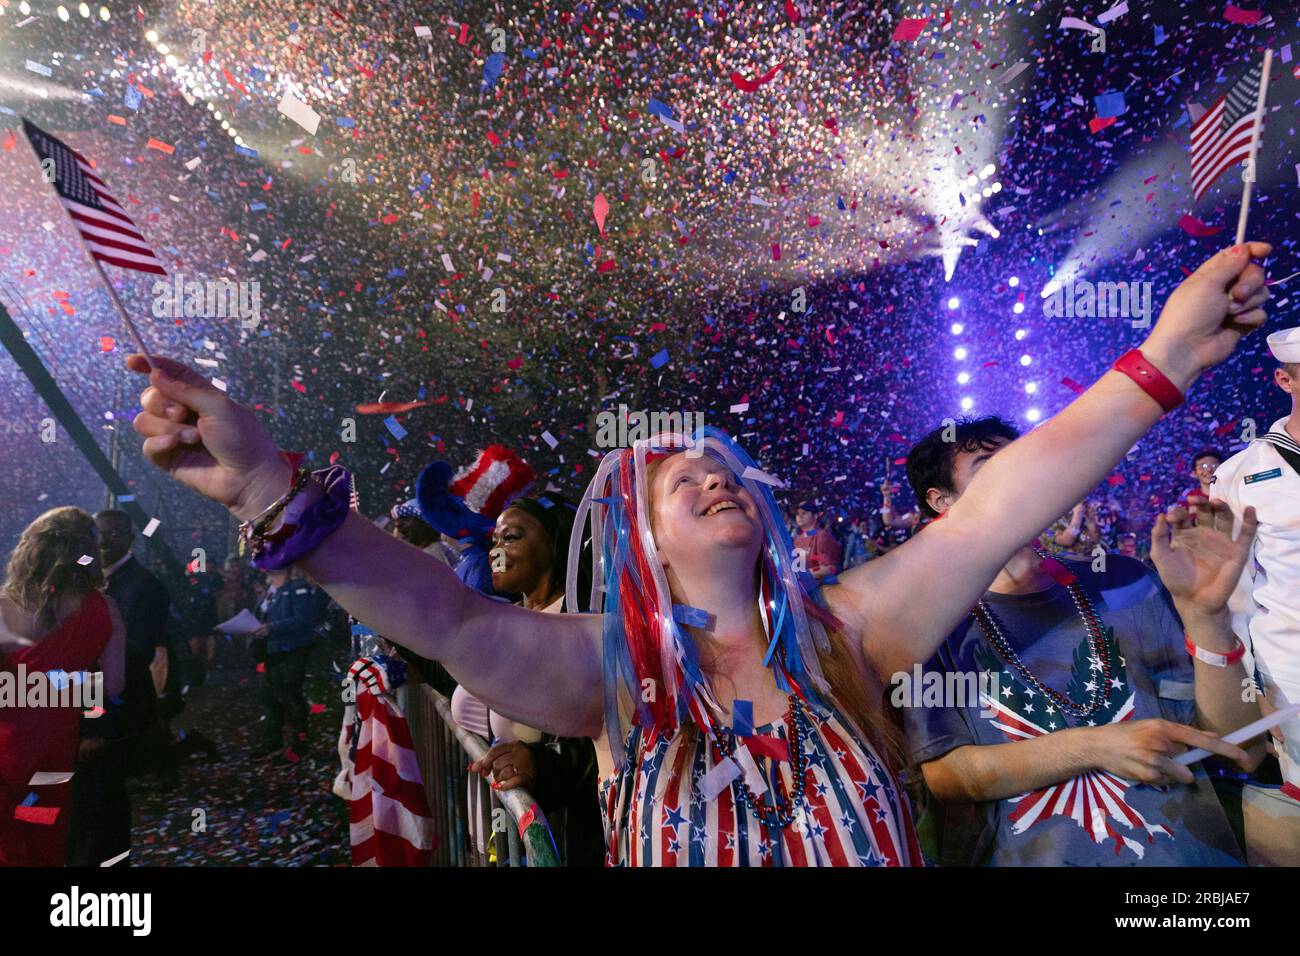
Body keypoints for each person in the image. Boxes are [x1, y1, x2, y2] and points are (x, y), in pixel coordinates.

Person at [126, 242, 1272, 866]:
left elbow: (993, 509)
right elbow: (451, 619)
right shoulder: (606, 667)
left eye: (721, 464)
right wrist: (269, 488)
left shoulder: (845, 630)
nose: (710, 472)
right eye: (677, 477)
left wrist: (1162, 355)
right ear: (638, 535)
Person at [903, 418, 1258, 865]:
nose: (1022, 475)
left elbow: (1238, 743)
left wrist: (1207, 618)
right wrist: (1096, 746)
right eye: (990, 466)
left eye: (1025, 460)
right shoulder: (929, 624)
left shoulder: (1122, 579)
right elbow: (948, 776)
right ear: (942, 502)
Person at [467, 494, 604, 866]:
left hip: (571, 832)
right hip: (514, 825)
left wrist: (541, 765)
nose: (496, 550)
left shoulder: (582, 623)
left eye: (510, 537)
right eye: (493, 541)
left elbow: (610, 737)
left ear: (555, 544)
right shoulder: (504, 621)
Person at [1210, 325, 1300, 863]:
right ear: (1284, 379)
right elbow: (1232, 600)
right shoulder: (1240, 475)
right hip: (1293, 676)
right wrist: (1254, 693)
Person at [0, 508, 125, 866]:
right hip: (55, 749)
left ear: (31, 549)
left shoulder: (4, 608)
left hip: (5, 751)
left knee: (7, 846)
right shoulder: (107, 609)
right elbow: (113, 684)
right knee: (44, 838)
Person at [66, 509, 172, 865]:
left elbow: (136, 652)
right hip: (84, 700)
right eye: (100, 534)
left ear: (129, 538)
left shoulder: (145, 585)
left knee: (103, 798)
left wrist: (91, 646)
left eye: (114, 534)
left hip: (116, 706)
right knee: (88, 800)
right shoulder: (86, 579)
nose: (105, 541)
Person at [253, 567, 320, 762]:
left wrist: (271, 628)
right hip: (273, 651)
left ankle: (298, 746)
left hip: (293, 649)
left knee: (291, 696)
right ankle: (272, 742)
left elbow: (303, 619)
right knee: (270, 696)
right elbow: (263, 615)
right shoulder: (271, 592)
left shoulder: (298, 588)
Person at [792, 500, 842, 581]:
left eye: (804, 513)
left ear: (815, 516)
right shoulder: (797, 540)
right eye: (797, 514)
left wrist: (803, 575)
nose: (799, 516)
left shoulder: (822, 536)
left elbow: (830, 568)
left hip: (822, 588)